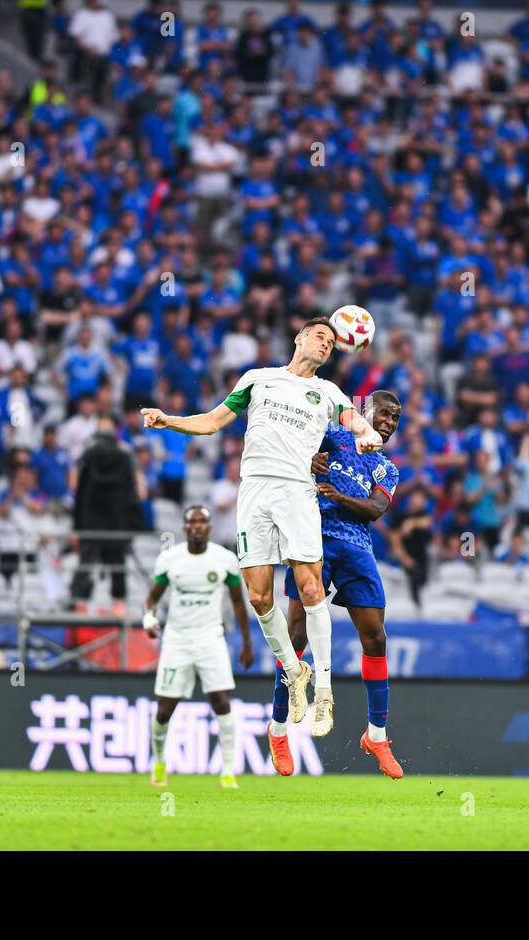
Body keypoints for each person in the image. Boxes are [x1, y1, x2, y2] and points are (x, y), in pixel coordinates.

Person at [140, 315, 384, 739]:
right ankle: (295, 672)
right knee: (258, 596)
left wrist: (368, 435)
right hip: (253, 491)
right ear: (300, 338)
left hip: (296, 492)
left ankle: (323, 692)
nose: (326, 345)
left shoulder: (327, 392)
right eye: (320, 337)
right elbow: (214, 420)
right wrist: (169, 420)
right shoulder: (258, 379)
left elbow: (355, 421)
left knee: (310, 589)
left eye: (331, 342)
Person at [275, 389, 403, 778]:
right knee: (295, 637)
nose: (390, 421)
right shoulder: (336, 435)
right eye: (385, 413)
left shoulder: (386, 468)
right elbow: (296, 444)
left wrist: (339, 496)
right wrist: (307, 458)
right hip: (314, 537)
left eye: (396, 418)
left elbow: (377, 509)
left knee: (376, 638)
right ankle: (279, 730)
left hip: (357, 548)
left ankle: (376, 735)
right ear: (365, 411)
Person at [143, 506, 254, 789]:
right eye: (191, 522)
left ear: (209, 527)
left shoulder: (225, 559)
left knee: (221, 701)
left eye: (202, 521)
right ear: (184, 527)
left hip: (210, 637)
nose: (196, 526)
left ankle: (228, 771)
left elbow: (239, 603)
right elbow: (151, 598)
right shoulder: (170, 559)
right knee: (165, 709)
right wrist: (148, 618)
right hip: (176, 639)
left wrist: (246, 642)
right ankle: (158, 762)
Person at [70, 414, 144, 615]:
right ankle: (119, 604)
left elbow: (80, 494)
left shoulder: (87, 456)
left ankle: (80, 605)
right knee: (117, 563)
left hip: (91, 523)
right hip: (117, 522)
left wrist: (77, 527)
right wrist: (131, 526)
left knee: (87, 562)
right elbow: (131, 494)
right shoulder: (125, 457)